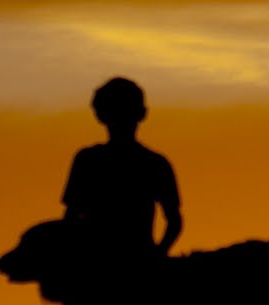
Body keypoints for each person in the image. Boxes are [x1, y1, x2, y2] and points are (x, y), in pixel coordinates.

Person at [61, 77, 182, 262]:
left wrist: (157, 256)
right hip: (120, 263)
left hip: (99, 265)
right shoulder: (155, 163)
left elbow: (70, 218)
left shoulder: (88, 160)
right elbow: (174, 221)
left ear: (99, 114)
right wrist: (158, 255)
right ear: (142, 113)